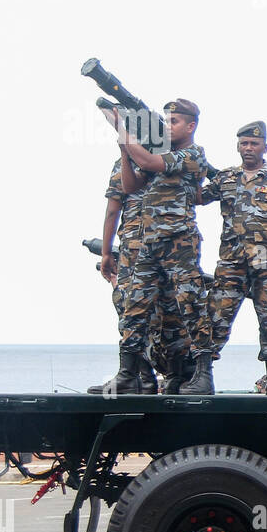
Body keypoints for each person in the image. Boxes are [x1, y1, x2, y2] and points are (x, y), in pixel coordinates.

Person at [97, 98, 214, 394]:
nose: (168, 126)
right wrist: (125, 149)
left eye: (174, 121)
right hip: (148, 243)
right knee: (134, 306)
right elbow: (130, 187)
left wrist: (123, 133)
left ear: (191, 125)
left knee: (190, 306)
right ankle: (128, 373)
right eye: (166, 121)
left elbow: (149, 163)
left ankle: (202, 374)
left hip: (179, 242)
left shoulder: (193, 154)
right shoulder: (156, 152)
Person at [198, 121, 267, 395]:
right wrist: (187, 170)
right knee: (216, 314)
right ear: (237, 146)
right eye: (244, 143)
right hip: (231, 259)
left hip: (266, 259)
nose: (248, 148)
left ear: (265, 147)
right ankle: (203, 375)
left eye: (254, 144)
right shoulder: (226, 178)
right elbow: (198, 197)